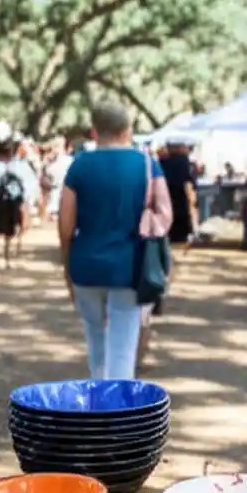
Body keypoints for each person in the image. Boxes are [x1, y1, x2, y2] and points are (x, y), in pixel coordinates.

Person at [59, 101, 172, 380]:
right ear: (128, 129)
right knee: (123, 345)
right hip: (130, 267)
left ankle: (98, 398)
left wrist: (66, 264)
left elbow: (65, 223)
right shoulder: (147, 164)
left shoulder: (80, 165)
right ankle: (118, 412)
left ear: (94, 131)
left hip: (86, 263)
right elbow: (165, 215)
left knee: (95, 340)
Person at [0, 140, 40, 268]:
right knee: (10, 228)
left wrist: (27, 199)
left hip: (16, 199)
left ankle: (14, 251)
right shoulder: (0, 165)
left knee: (18, 226)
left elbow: (29, 183)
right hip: (8, 200)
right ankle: (9, 255)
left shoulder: (19, 164)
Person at [160, 140, 198, 248]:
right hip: (180, 197)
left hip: (167, 196)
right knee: (181, 225)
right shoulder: (184, 161)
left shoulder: (162, 162)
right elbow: (189, 182)